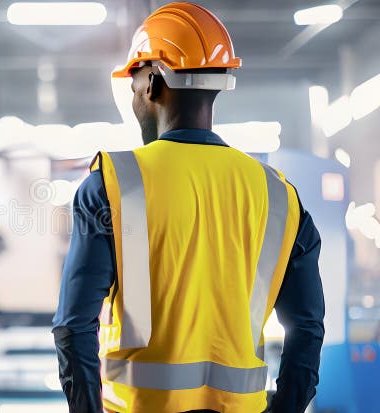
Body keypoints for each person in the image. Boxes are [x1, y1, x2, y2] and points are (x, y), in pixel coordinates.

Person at [51, 2, 325, 412]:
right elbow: (306, 327)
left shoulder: (112, 184)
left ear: (153, 84)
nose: (134, 99)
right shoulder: (276, 194)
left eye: (133, 85)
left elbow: (74, 329)